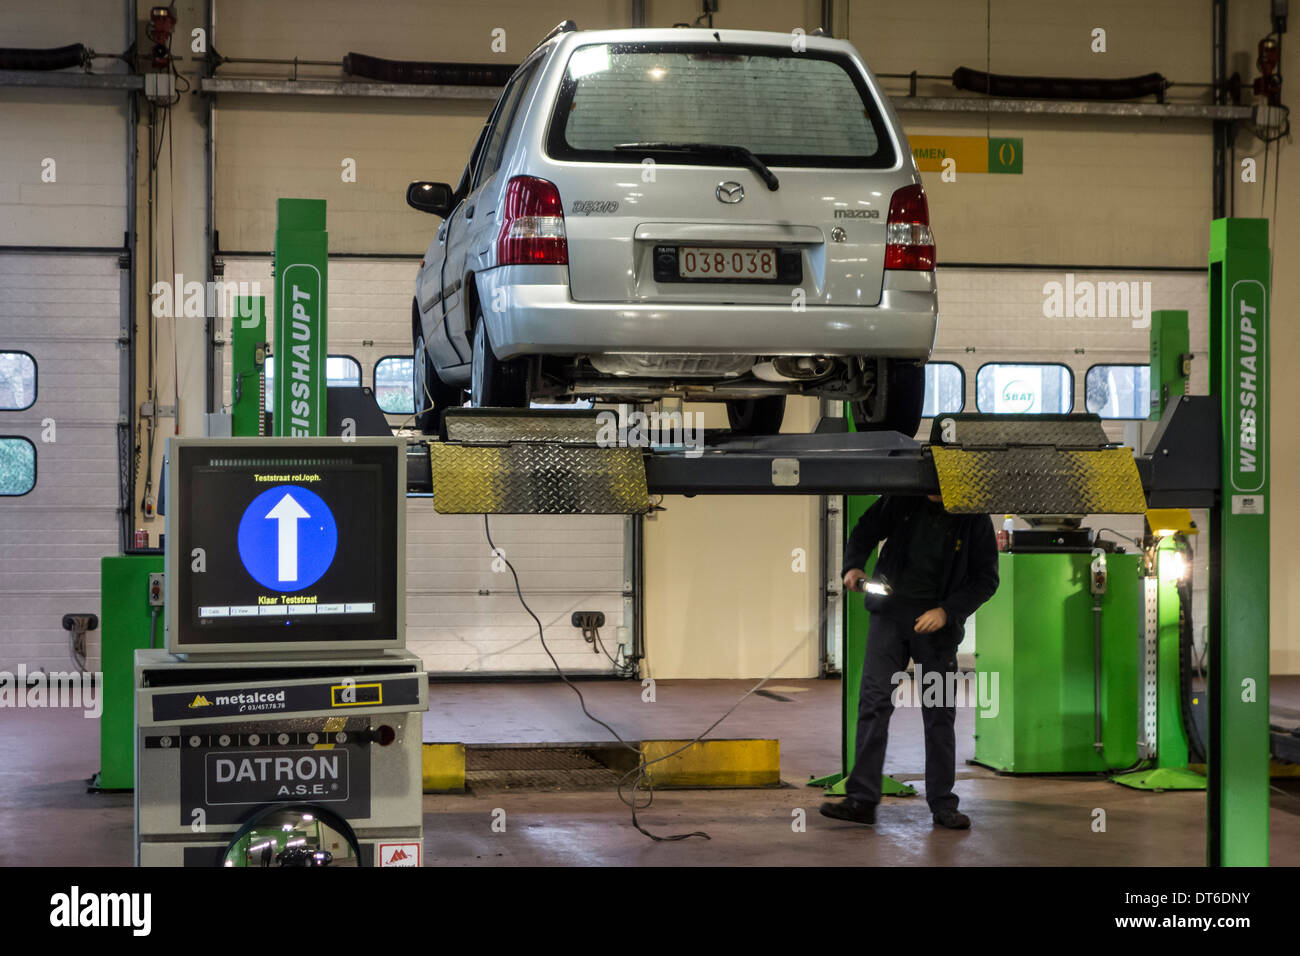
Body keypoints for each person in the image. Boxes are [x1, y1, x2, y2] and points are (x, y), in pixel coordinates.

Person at [821, 494, 999, 829]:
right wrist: (853, 565)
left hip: (936, 630)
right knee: (874, 703)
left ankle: (943, 805)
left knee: (939, 715)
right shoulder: (902, 499)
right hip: (889, 617)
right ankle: (861, 800)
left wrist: (946, 612)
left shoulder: (973, 516)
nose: (932, 490)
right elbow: (865, 529)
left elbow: (986, 579)